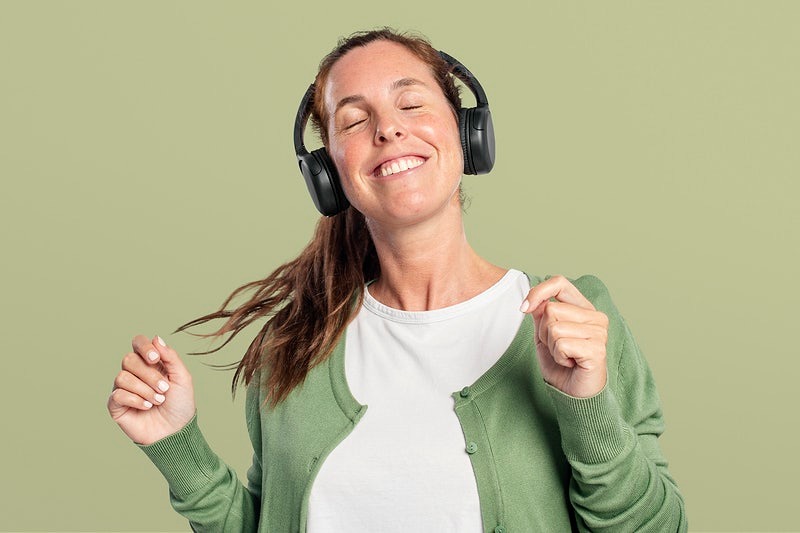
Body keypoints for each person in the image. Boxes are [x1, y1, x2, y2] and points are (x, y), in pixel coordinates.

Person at [107, 28, 687, 532]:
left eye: (411, 105)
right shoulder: (295, 345)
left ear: (466, 132)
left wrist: (584, 403)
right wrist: (176, 446)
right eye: (355, 121)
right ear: (328, 172)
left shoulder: (574, 317)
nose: (388, 130)